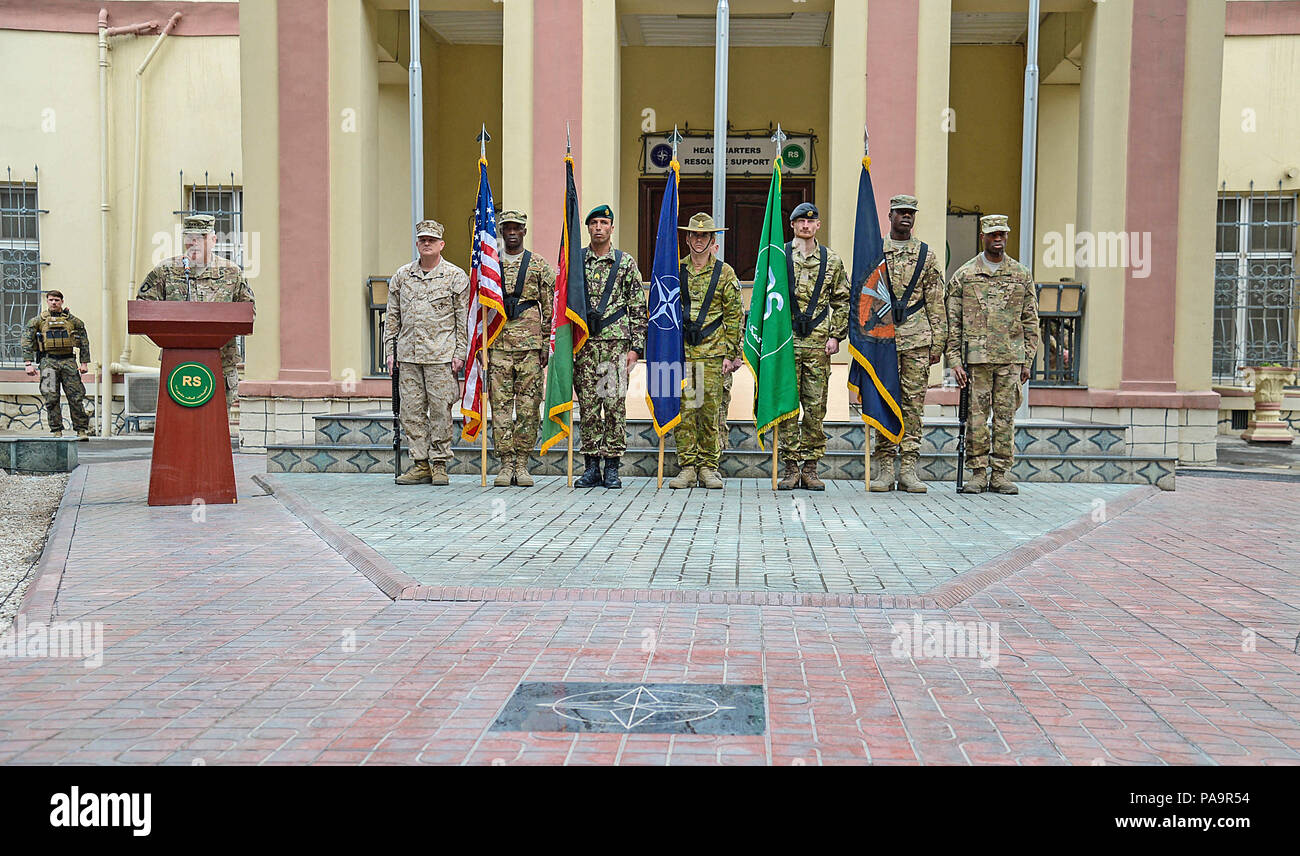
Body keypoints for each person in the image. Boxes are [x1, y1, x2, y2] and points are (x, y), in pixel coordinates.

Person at [946, 214, 1040, 494]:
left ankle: (1000, 473)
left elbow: (1031, 319)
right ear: (983, 237)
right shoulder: (964, 275)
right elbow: (953, 320)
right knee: (976, 418)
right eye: (992, 234)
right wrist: (953, 359)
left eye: (1002, 234)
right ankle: (977, 473)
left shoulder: (1021, 274)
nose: (998, 239)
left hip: (1010, 358)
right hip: (976, 360)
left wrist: (1028, 360)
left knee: (1005, 417)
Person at [137, 214, 255, 417]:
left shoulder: (231, 272)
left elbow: (248, 311)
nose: (194, 243)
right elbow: (142, 308)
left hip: (220, 363)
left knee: (216, 425)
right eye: (190, 238)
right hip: (178, 363)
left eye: (200, 238)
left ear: (213, 240)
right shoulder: (166, 271)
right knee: (178, 423)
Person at [870, 194, 948, 493]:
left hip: (916, 339)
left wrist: (938, 343)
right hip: (883, 339)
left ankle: (910, 469)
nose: (906, 217)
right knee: (884, 400)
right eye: (901, 212)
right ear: (890, 216)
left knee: (913, 404)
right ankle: (886, 467)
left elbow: (935, 301)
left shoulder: (926, 255)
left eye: (911, 213)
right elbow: (863, 295)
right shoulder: (875, 249)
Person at [384, 219, 470, 486]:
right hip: (408, 356)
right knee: (411, 411)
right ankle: (420, 463)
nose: (427, 243)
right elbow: (392, 316)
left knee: (441, 411)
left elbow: (462, 318)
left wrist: (460, 353)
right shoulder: (401, 277)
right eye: (423, 240)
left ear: (441, 244)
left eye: (432, 240)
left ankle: (440, 463)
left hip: (441, 356)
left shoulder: (455, 277)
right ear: (417, 243)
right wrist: (390, 351)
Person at [573, 204, 647, 489]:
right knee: (589, 408)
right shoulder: (578, 261)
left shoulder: (624, 263)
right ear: (588, 228)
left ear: (612, 228)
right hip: (585, 347)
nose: (599, 227)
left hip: (616, 346)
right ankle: (591, 466)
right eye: (594, 223)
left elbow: (638, 307)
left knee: (614, 407)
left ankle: (613, 466)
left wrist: (636, 348)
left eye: (604, 222)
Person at [668, 213, 742, 490]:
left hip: (714, 353)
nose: (699, 240)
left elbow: (734, 315)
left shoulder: (725, 273)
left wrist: (732, 354)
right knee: (685, 412)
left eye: (705, 236)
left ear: (713, 241)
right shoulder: (675, 270)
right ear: (687, 239)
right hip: (683, 353)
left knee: (710, 412)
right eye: (694, 235)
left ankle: (709, 467)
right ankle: (687, 467)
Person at [777, 202, 849, 491]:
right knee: (788, 407)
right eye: (800, 222)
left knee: (815, 407)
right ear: (792, 225)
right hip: (787, 342)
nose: (806, 226)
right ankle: (791, 467)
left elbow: (842, 300)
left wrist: (836, 335)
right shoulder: (779, 257)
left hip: (819, 344)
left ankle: (811, 467)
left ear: (818, 225)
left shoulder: (831, 260)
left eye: (811, 221)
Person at [490, 210, 555, 487]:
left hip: (529, 347)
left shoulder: (538, 264)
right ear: (502, 231)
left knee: (529, 407)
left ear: (525, 231)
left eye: (517, 228)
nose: (512, 232)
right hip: (498, 346)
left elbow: (550, 307)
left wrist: (544, 344)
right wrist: (482, 344)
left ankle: (522, 463)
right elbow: (480, 308)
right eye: (507, 228)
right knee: (501, 408)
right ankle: (505, 463)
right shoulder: (489, 264)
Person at [21, 290, 92, 439]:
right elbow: (26, 340)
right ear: (47, 301)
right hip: (48, 362)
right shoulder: (38, 321)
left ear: (62, 302)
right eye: (51, 300)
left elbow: (84, 341)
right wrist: (28, 363)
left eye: (57, 300)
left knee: (76, 396)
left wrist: (84, 363)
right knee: (51, 397)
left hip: (68, 361)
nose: (54, 302)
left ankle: (81, 430)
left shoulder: (72, 321)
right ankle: (56, 430)